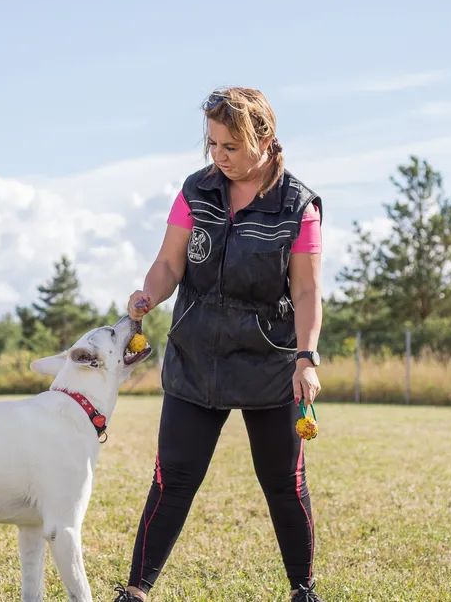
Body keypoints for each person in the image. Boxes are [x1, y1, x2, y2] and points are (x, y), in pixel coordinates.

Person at [111, 87, 325, 602]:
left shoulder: (299, 206)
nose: (218, 157)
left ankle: (303, 590)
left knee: (283, 482)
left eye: (230, 146)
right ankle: (137, 592)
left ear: (265, 139)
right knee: (173, 478)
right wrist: (148, 295)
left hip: (269, 365)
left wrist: (306, 358)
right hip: (195, 358)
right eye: (212, 144)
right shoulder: (196, 190)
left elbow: (306, 290)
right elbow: (169, 264)